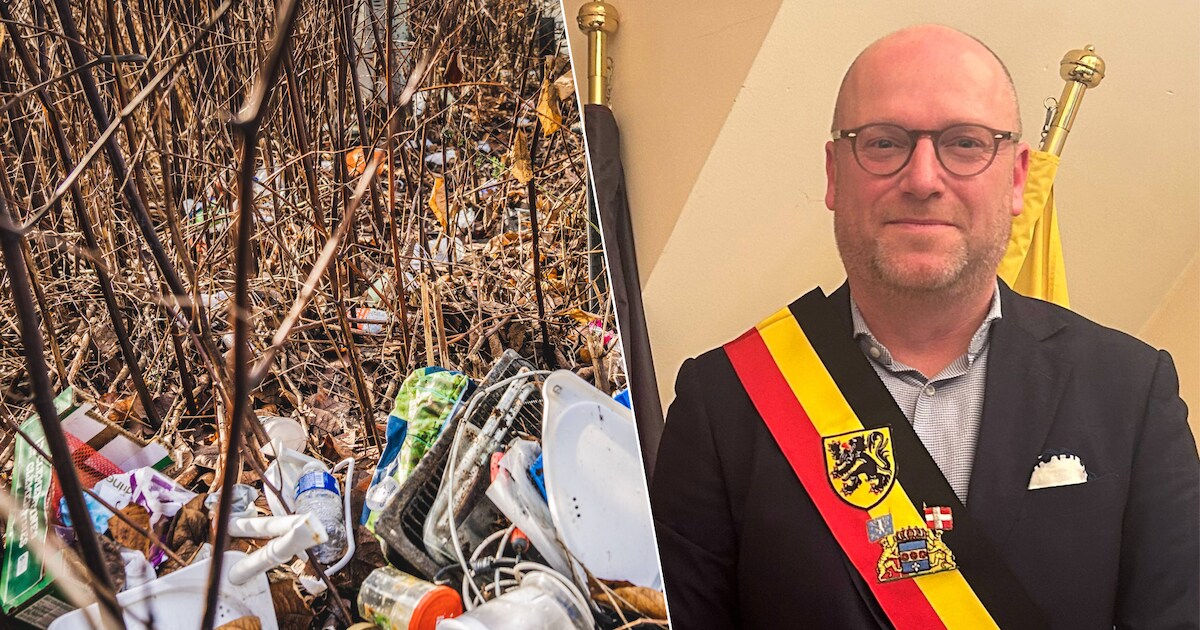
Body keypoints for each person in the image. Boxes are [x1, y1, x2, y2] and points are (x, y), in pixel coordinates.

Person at [649, 24, 1199, 630]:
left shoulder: (1130, 390)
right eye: (884, 143)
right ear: (834, 173)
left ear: (1017, 177)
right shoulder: (724, 401)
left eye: (965, 144)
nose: (922, 179)